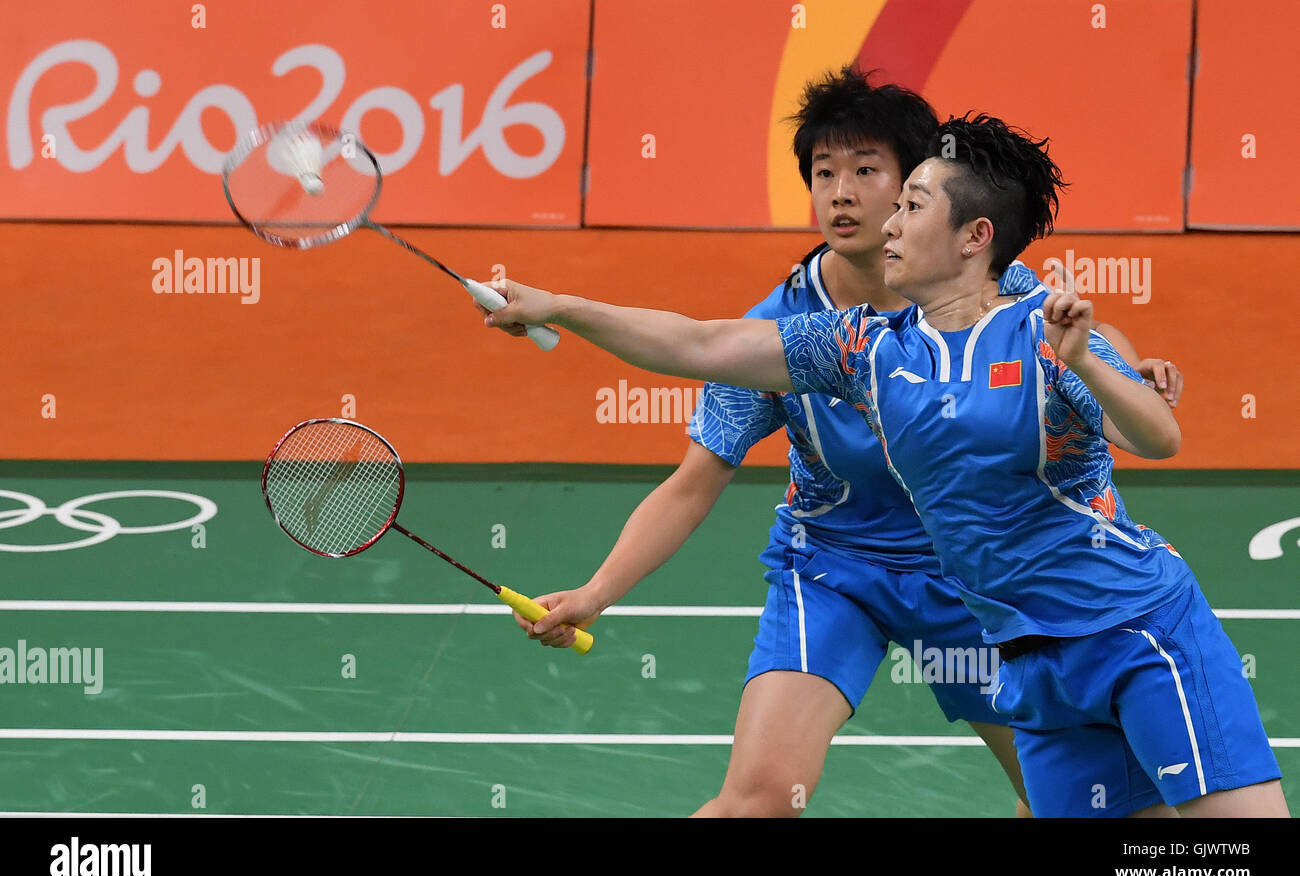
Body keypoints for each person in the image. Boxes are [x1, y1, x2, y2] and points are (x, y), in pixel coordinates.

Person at [483, 112, 1286, 818]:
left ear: (975, 237)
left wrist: (1105, 367)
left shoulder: (1039, 323)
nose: (880, 218)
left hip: (1127, 624)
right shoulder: (858, 348)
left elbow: (1150, 432)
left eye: (904, 200)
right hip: (1019, 652)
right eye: (853, 187)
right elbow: (702, 343)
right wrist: (562, 306)